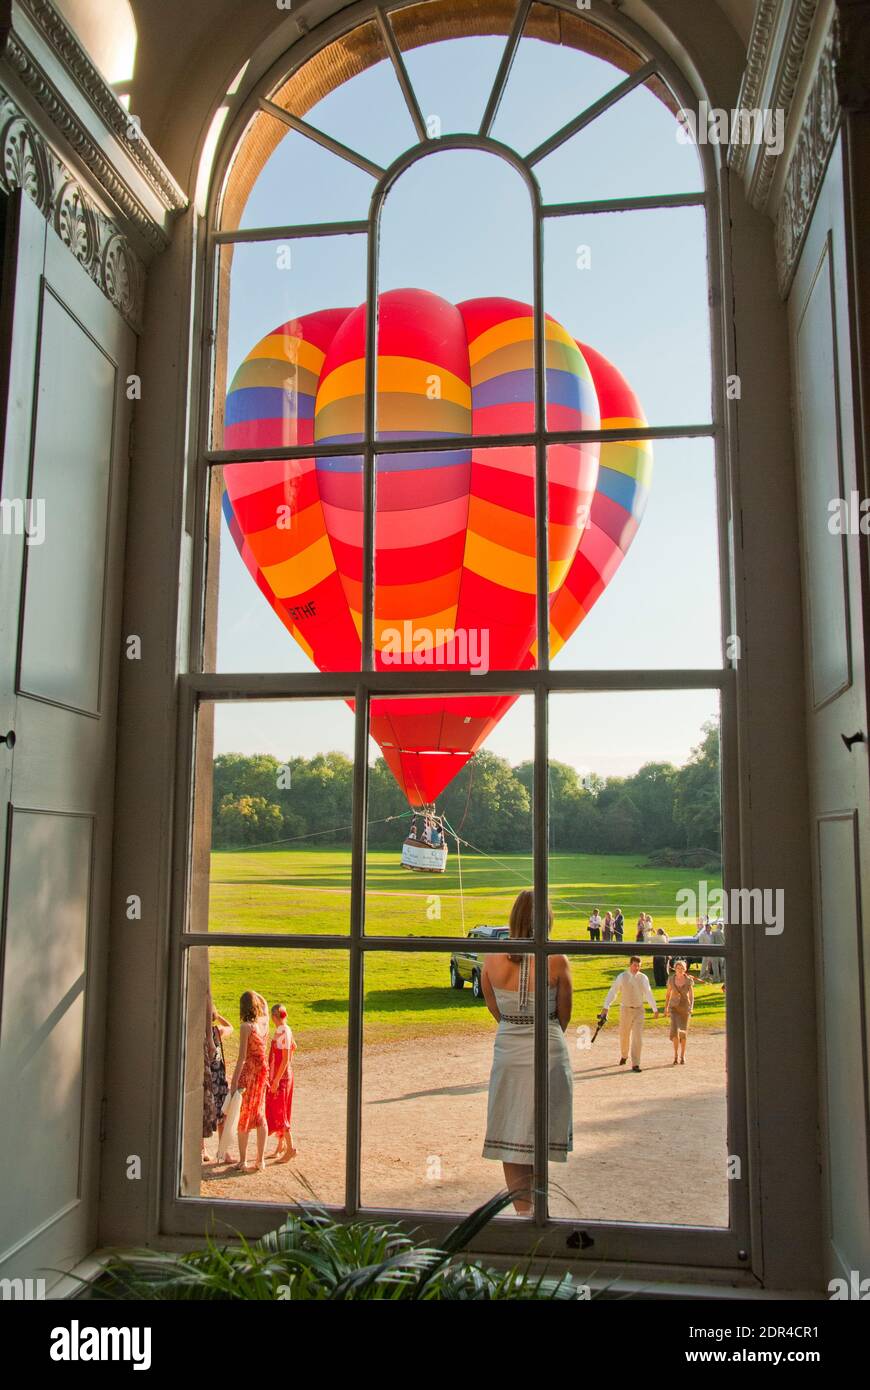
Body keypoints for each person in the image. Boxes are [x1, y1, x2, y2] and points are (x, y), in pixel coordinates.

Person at [482, 890, 573, 1215]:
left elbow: (493, 1006)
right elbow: (564, 1014)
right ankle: (539, 1212)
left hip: (508, 1047)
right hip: (547, 1045)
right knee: (538, 1132)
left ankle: (523, 1212)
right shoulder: (557, 959)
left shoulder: (491, 958)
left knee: (511, 1131)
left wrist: (515, 1025)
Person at [229, 989, 270, 1172]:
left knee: (244, 1114)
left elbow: (241, 1058)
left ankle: (243, 1160)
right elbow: (266, 1006)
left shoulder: (246, 1027)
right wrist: (257, 995)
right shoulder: (264, 1023)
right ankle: (260, 1160)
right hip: (263, 1072)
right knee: (260, 1113)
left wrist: (234, 1081)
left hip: (250, 1072)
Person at [600, 956, 659, 1072]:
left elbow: (648, 993)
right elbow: (613, 991)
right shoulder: (622, 977)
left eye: (638, 966)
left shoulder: (643, 978)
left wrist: (654, 1008)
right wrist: (606, 1006)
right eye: (634, 965)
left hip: (639, 1010)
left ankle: (636, 1063)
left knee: (638, 1037)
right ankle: (624, 1055)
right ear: (630, 965)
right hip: (625, 1009)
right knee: (624, 1035)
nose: (636, 968)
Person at [266, 1004, 297, 1161]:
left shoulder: (282, 1031)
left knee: (279, 1110)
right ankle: (281, 1146)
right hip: (284, 1074)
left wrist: (277, 1080)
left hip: (281, 1076)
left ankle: (290, 1148)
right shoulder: (286, 1029)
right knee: (282, 1109)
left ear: (273, 1017)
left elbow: (285, 1057)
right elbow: (294, 1047)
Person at [206, 1001, 233, 1163]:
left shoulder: (197, 1033)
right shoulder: (217, 1031)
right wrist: (218, 1016)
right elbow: (231, 1027)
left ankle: (202, 1150)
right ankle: (223, 1152)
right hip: (219, 1077)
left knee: (204, 1114)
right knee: (222, 1116)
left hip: (206, 1078)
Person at [665, 959, 694, 1064]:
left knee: (683, 1033)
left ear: (685, 969)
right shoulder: (671, 979)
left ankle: (682, 1055)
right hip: (674, 1008)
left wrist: (691, 1007)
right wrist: (666, 1007)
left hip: (685, 1008)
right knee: (675, 1032)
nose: (680, 970)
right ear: (675, 969)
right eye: (678, 968)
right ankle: (675, 1056)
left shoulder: (688, 980)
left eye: (682, 968)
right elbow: (668, 994)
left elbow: (691, 995)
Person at [710, 919, 726, 984]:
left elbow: (712, 943)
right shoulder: (724, 933)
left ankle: (716, 979)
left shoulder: (714, 933)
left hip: (716, 951)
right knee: (722, 967)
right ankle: (723, 978)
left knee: (715, 966)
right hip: (722, 952)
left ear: (718, 926)